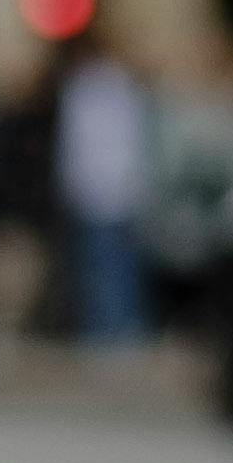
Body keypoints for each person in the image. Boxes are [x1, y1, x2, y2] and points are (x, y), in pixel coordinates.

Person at [55, 25, 154, 345]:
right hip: (103, 186)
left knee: (114, 265)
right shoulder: (101, 88)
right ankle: (105, 326)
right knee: (103, 264)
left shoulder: (103, 88)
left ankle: (117, 326)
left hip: (111, 185)